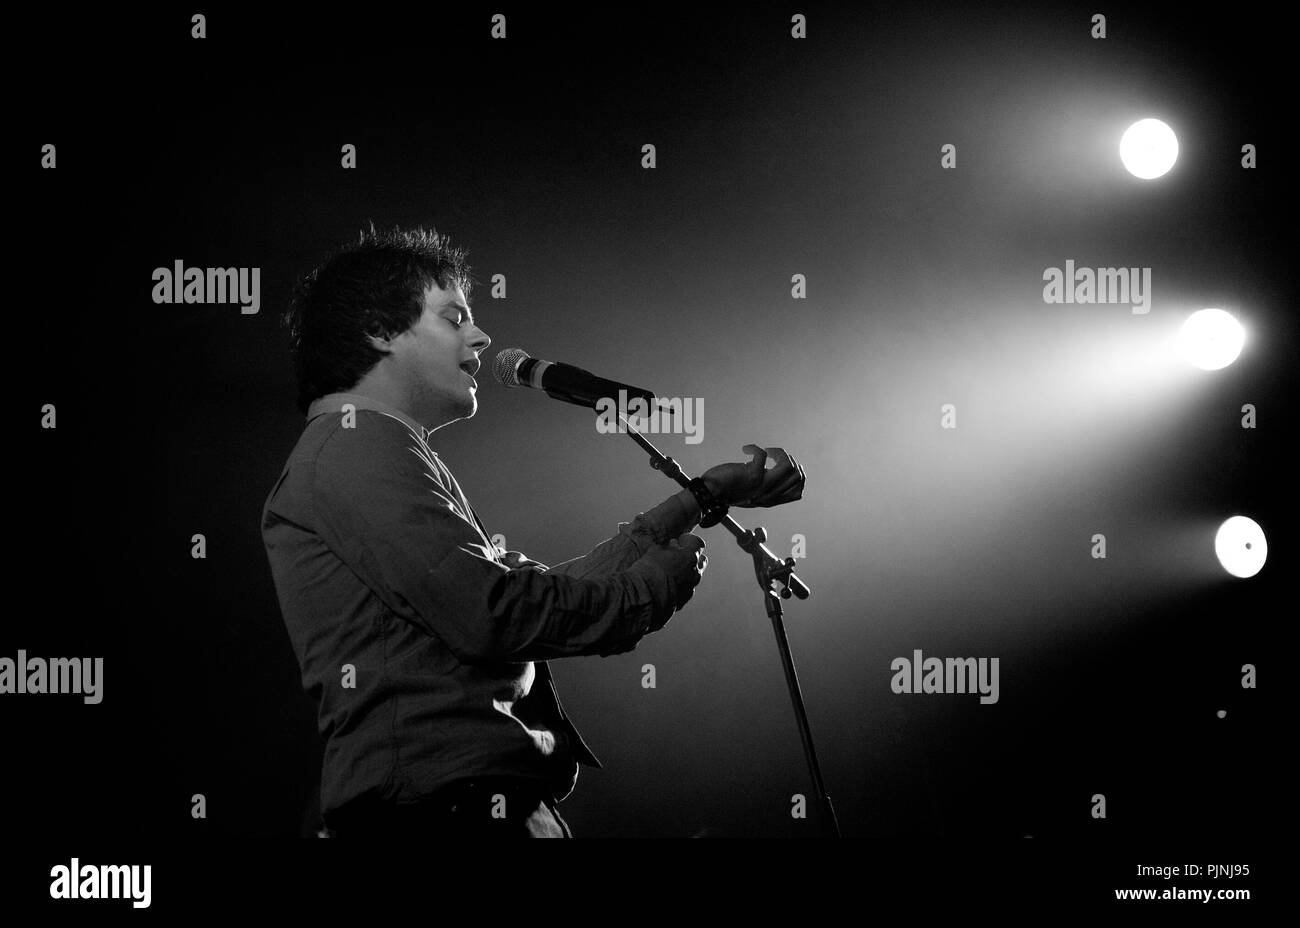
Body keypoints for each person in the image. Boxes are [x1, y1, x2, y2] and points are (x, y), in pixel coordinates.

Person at [261, 225, 805, 838]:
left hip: (467, 805)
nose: (482, 335)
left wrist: (703, 497)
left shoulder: (377, 451)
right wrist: (651, 590)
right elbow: (498, 614)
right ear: (379, 330)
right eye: (454, 316)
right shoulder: (355, 446)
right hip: (446, 813)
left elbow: (532, 590)